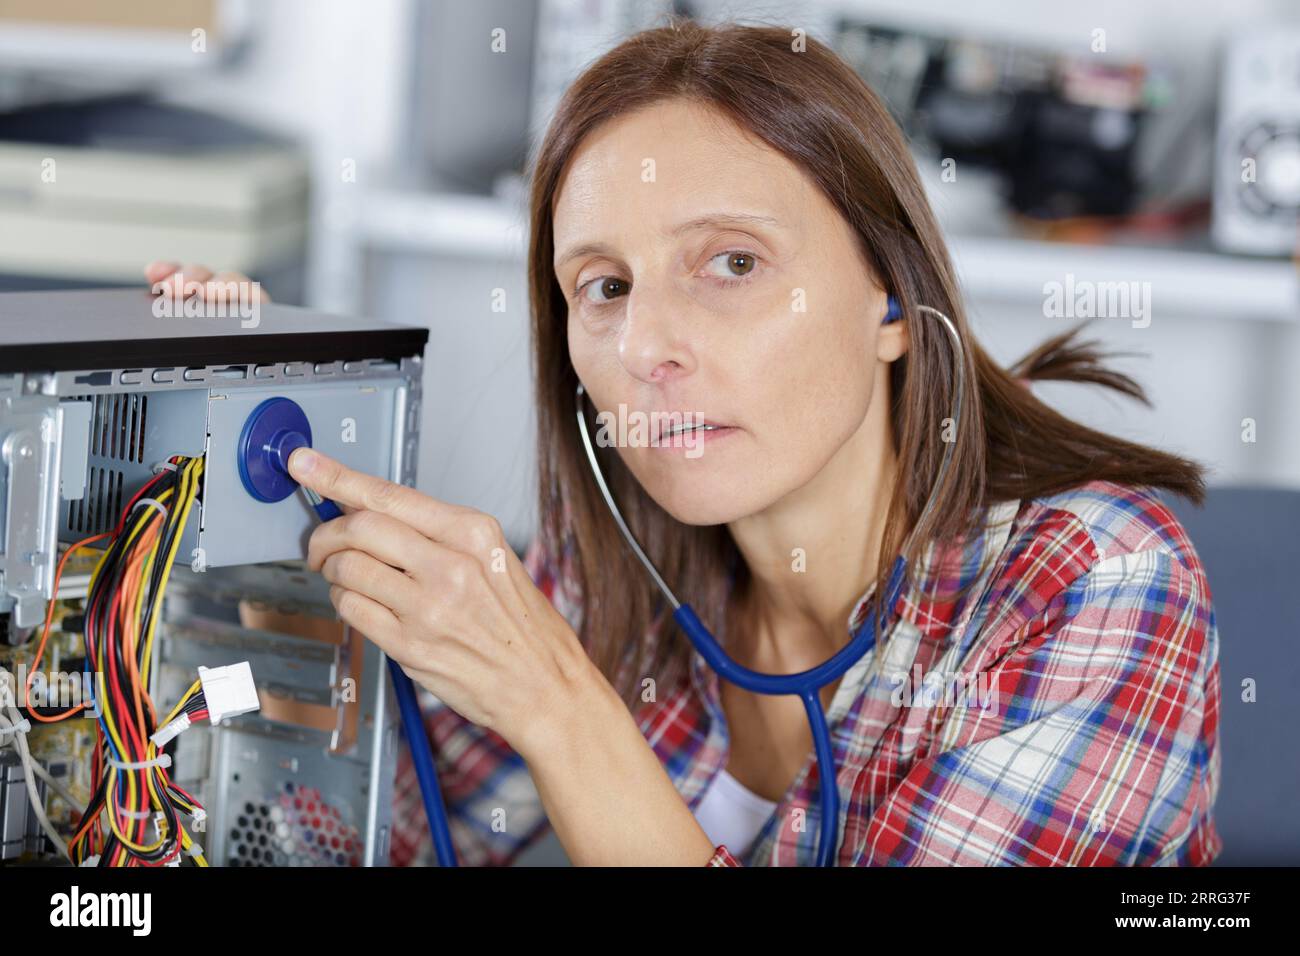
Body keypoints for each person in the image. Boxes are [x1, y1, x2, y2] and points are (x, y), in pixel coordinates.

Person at [145, 19, 1221, 867]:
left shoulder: (1098, 580)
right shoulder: (615, 572)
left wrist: (555, 702)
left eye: (731, 263)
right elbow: (379, 832)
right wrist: (237, 490)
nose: (643, 345)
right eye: (603, 286)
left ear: (891, 302)